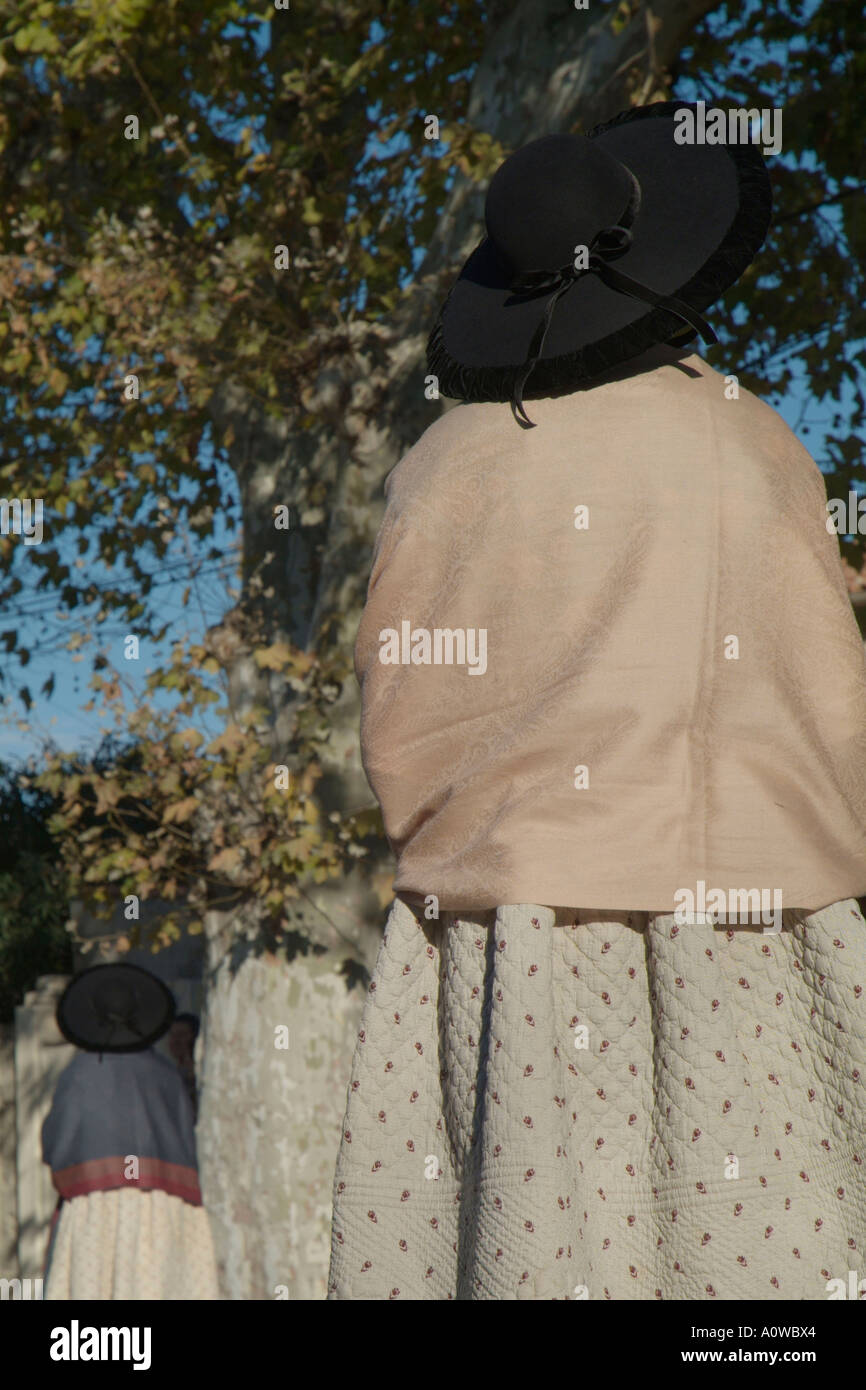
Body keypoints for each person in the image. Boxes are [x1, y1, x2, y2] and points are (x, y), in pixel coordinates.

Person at [327, 101, 866, 1301]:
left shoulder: (438, 466)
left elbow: (401, 727)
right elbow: (828, 700)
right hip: (748, 926)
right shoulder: (749, 445)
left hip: (501, 948)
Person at [41, 963, 220, 1299]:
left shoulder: (77, 1075)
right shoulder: (166, 1074)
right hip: (163, 1207)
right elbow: (187, 1141)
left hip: (95, 1207)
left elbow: (55, 1146)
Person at [167, 1011, 200, 1119]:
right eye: (172, 1035)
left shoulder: (202, 1074)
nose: (175, 1040)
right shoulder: (168, 1072)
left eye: (181, 1035)